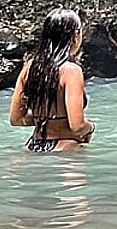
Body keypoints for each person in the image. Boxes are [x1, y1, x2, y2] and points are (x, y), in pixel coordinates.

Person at [9, 9, 94, 152]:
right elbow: (77, 126)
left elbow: (16, 119)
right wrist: (91, 127)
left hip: (33, 146)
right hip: (65, 147)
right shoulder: (72, 71)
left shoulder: (30, 67)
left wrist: (43, 119)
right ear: (75, 36)